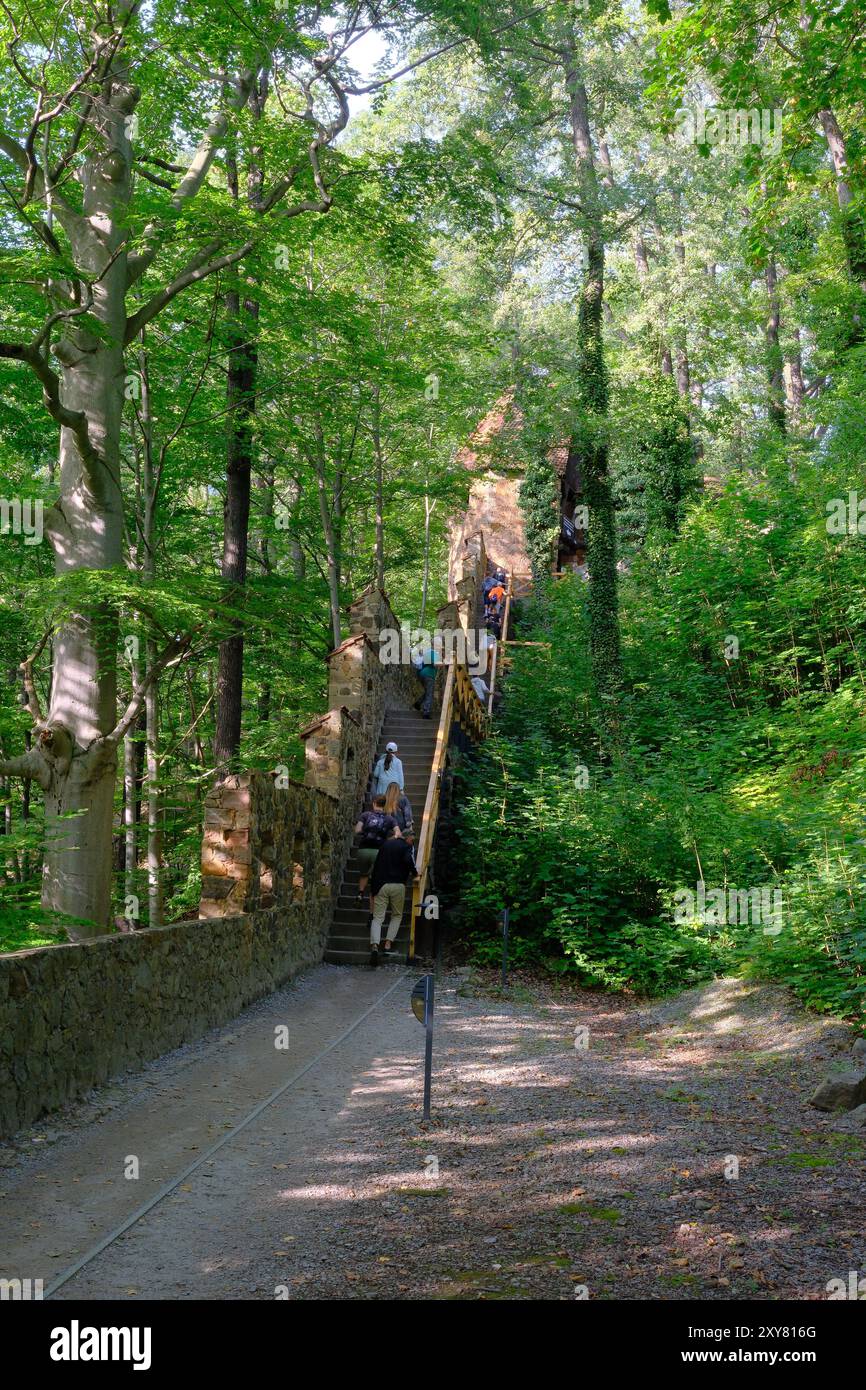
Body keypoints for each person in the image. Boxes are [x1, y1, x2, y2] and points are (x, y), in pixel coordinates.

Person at [369, 829, 419, 965]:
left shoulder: (386, 845)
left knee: (378, 918)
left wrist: (373, 888)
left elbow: (377, 865)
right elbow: (408, 860)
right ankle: (387, 944)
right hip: (398, 885)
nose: (412, 842)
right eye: (412, 840)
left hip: (381, 885)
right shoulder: (406, 847)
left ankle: (374, 945)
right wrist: (415, 873)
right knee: (396, 915)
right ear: (409, 838)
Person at [354, 795, 398, 903]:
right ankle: (372, 912)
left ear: (374, 803)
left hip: (363, 850)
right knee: (375, 879)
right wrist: (387, 840)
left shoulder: (365, 815)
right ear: (384, 805)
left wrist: (366, 833)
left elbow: (357, 830)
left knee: (364, 874)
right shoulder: (389, 818)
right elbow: (398, 834)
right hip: (378, 852)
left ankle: (360, 894)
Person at [415, 642, 438, 719]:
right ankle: (426, 712)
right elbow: (435, 664)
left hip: (422, 674)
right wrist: (446, 663)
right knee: (430, 694)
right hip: (428, 675)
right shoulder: (433, 652)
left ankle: (418, 703)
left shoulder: (428, 653)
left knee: (428, 692)